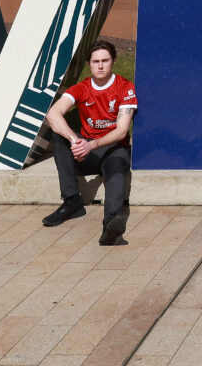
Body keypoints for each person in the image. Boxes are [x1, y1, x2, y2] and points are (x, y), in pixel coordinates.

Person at [42, 39, 136, 246]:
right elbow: (53, 113)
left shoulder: (124, 87)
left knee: (118, 164)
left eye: (105, 60)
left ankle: (110, 225)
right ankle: (72, 201)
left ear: (113, 61)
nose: (100, 66)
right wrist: (75, 140)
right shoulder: (82, 87)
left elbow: (121, 131)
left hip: (112, 149)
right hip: (86, 152)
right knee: (58, 136)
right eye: (96, 61)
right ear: (89, 64)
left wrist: (92, 144)